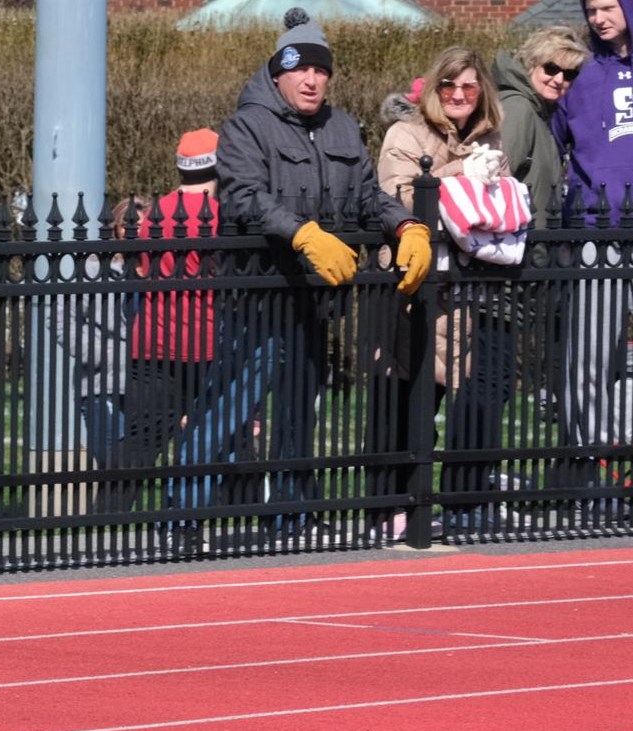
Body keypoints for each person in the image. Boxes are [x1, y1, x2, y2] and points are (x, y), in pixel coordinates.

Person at [178, 7, 429, 548]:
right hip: (257, 294)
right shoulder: (248, 125)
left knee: (298, 414)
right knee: (227, 406)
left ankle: (291, 515)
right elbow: (244, 197)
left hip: (315, 298)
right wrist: (303, 234)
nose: (312, 80)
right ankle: (183, 519)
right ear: (278, 75)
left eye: (320, 71)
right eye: (299, 71)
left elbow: (366, 194)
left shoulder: (340, 126)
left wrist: (406, 224)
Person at [372, 47, 509, 541]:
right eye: (449, 85)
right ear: (433, 88)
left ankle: (428, 503)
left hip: (462, 283)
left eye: (469, 87)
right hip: (410, 281)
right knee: (402, 395)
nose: (458, 95)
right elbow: (400, 197)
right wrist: (462, 176)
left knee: (445, 392)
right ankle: (391, 503)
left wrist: (497, 183)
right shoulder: (405, 133)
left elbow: (494, 208)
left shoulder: (488, 136)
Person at [110, 129, 224, 542]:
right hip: (206, 343)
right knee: (214, 432)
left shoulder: (157, 212)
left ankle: (106, 518)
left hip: (152, 341)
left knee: (142, 437)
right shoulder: (221, 214)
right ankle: (194, 522)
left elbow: (140, 267)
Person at [549, 0, 633, 518]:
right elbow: (547, 141)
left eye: (608, 6)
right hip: (596, 232)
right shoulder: (580, 72)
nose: (599, 17)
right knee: (590, 357)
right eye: (591, 8)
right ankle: (595, 468)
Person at [496, 26, 587, 220]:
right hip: (521, 241)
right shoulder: (518, 108)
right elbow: (498, 176)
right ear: (531, 64)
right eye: (551, 69)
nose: (559, 79)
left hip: (536, 241)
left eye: (569, 74)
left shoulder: (541, 111)